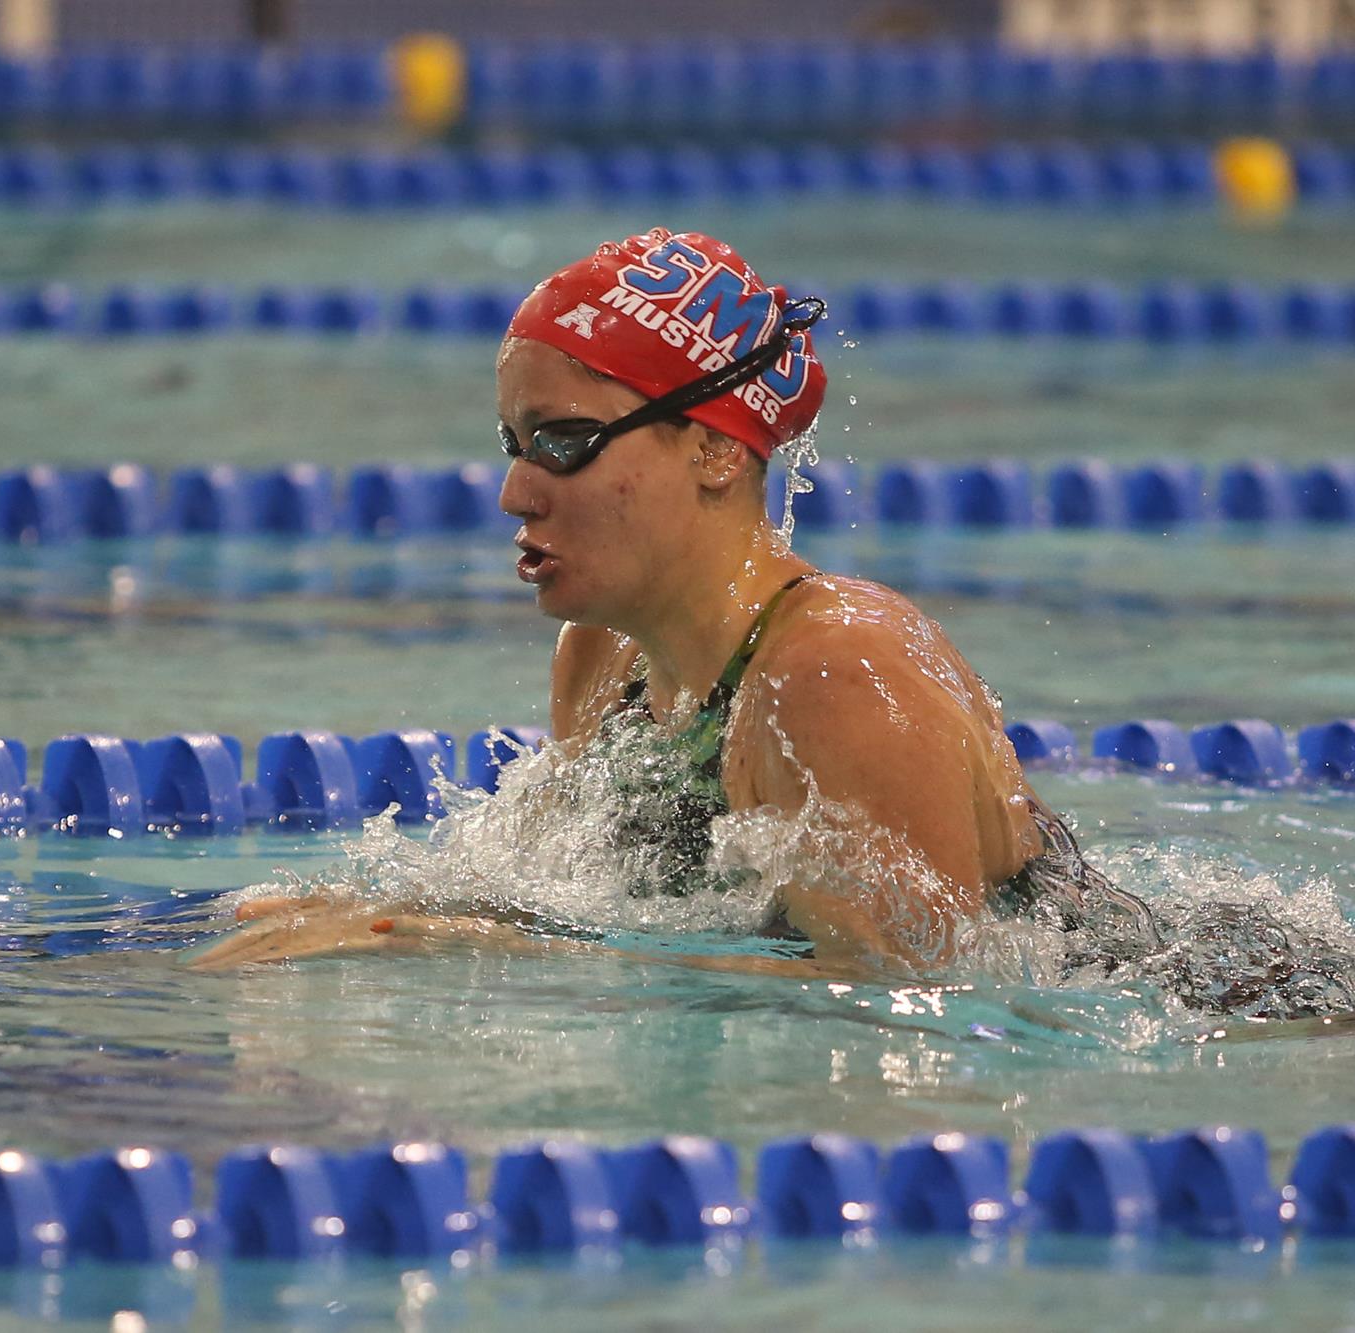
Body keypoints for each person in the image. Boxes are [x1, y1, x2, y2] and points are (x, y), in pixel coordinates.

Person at [197, 229, 1152, 979]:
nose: (517, 493)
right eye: (514, 445)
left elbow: (928, 1001)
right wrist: (380, 918)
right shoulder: (601, 656)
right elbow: (591, 908)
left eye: (563, 441)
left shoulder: (836, 677)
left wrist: (486, 952)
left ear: (715, 448)